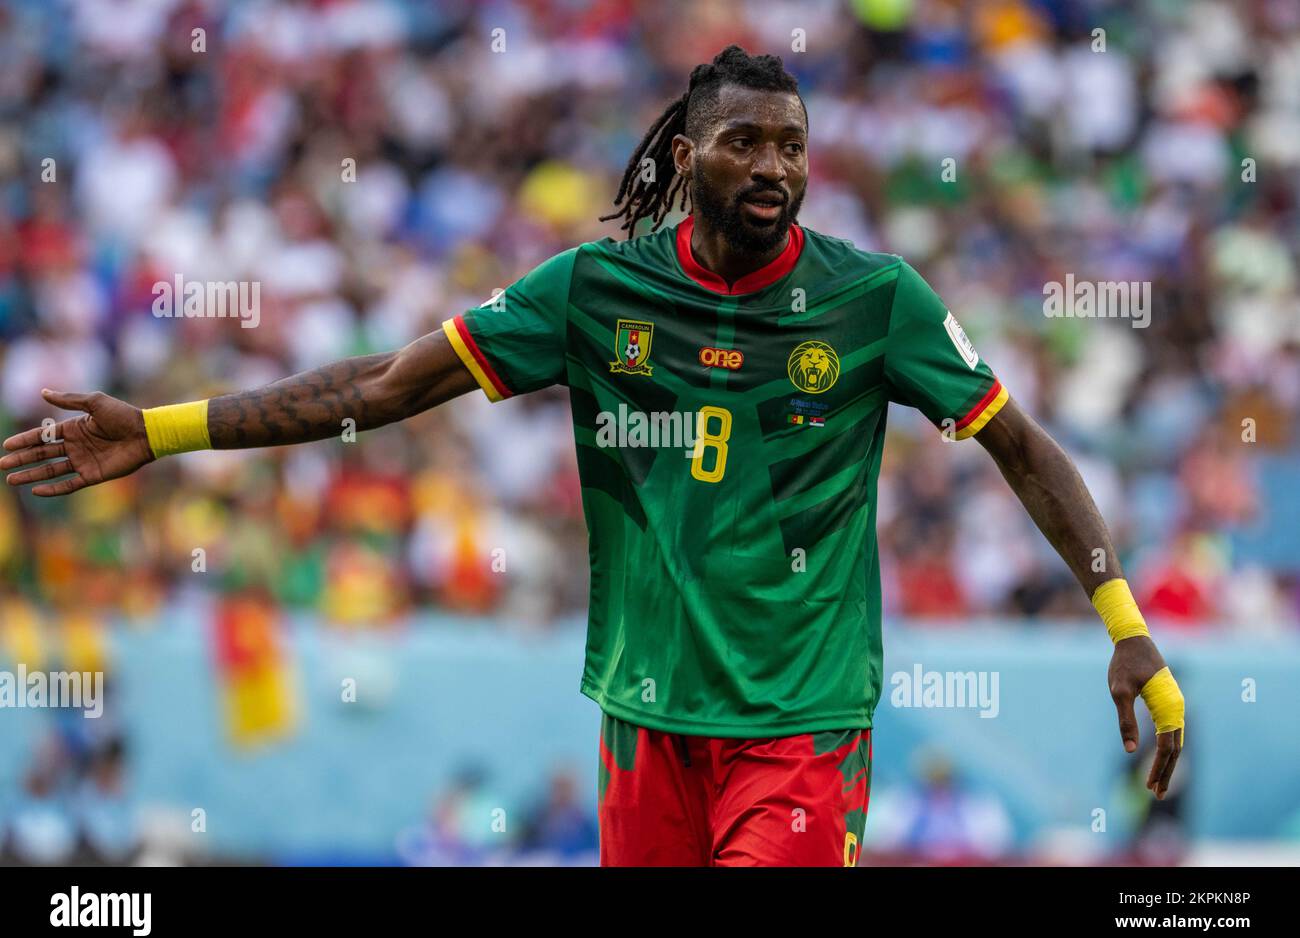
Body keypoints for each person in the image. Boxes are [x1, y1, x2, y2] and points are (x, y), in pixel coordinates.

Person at [1, 46, 1184, 867]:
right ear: (685, 155)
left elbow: (1023, 449)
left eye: (792, 146)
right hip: (643, 721)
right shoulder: (590, 293)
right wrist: (158, 431)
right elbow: (380, 387)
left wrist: (1123, 618)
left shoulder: (872, 301)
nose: (774, 167)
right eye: (744, 143)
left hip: (800, 724)